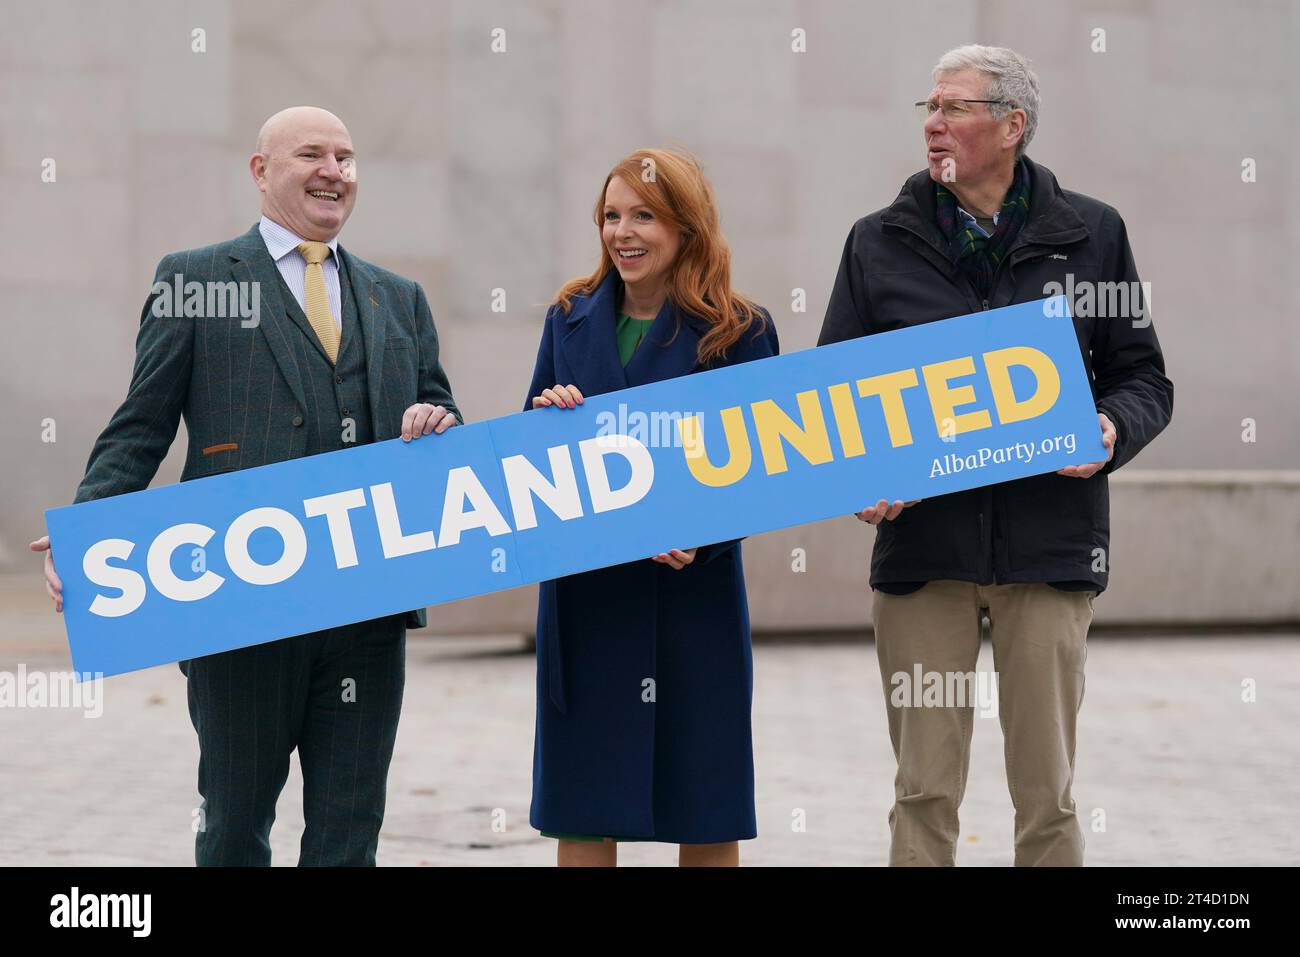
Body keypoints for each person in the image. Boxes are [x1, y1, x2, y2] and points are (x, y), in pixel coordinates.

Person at [30, 106, 462, 866]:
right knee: (232, 827)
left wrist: (438, 421)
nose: (335, 169)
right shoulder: (194, 279)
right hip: (239, 604)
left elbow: (439, 411)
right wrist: (87, 526)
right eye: (311, 154)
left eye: (347, 156)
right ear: (261, 171)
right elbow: (142, 424)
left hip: (369, 608)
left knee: (349, 833)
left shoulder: (400, 298)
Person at [818, 46, 1173, 866]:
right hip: (923, 557)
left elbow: (1142, 376)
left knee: (1046, 796)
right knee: (924, 790)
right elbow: (836, 397)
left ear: (1013, 126)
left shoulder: (1091, 234)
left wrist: (1112, 429)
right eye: (928, 108)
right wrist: (863, 475)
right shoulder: (877, 243)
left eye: (955, 108)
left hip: (1048, 551)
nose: (933, 124)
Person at [525, 148, 778, 866]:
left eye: (644, 215)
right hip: (589, 603)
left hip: (690, 606)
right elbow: (525, 468)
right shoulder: (568, 317)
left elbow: (765, 468)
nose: (622, 232)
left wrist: (707, 535)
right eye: (611, 215)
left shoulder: (742, 330)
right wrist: (548, 416)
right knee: (584, 807)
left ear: (686, 227)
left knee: (704, 806)